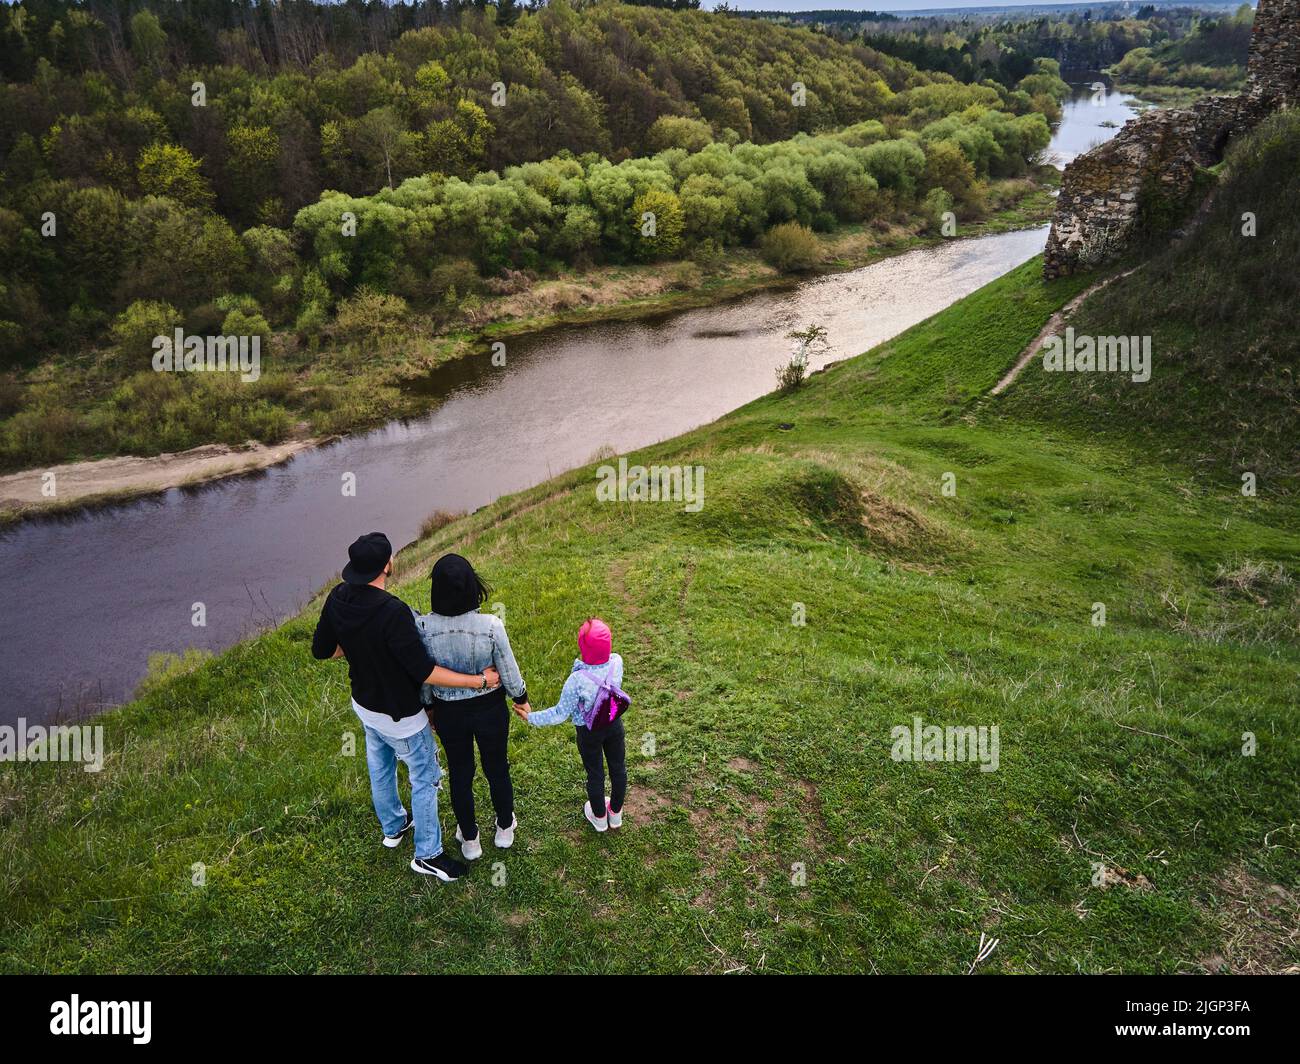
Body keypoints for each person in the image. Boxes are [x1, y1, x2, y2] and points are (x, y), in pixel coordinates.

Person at [311, 532, 500, 882]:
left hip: (365, 705)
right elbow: (425, 671)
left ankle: (394, 826)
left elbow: (323, 650)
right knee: (425, 778)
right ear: (386, 566)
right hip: (401, 715)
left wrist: (355, 647)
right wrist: (480, 681)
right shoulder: (393, 612)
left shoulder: (337, 597)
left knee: (380, 765)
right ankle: (428, 854)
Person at [416, 554, 531, 861]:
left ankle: (470, 838)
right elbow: (508, 669)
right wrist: (520, 697)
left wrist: (428, 707)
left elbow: (425, 675)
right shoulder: (491, 625)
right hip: (490, 709)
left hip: (448, 712)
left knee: (460, 773)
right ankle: (505, 826)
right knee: (497, 767)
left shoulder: (423, 627)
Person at [519, 618, 626, 833]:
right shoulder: (617, 662)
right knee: (618, 768)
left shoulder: (577, 679)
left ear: (582, 648)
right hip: (614, 725)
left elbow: (560, 713)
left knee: (595, 773)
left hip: (589, 733)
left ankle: (598, 816)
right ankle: (615, 814)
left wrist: (531, 717)